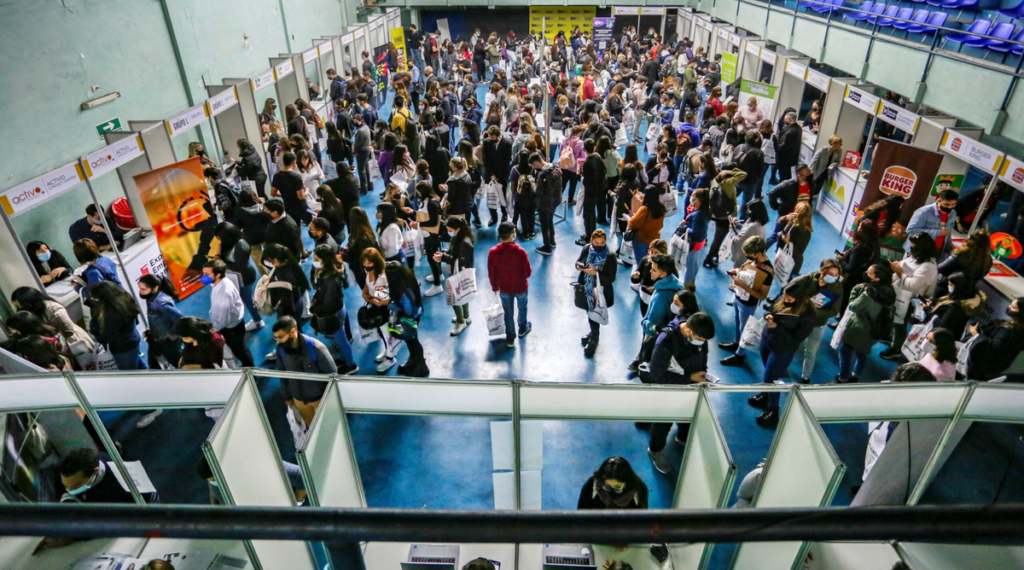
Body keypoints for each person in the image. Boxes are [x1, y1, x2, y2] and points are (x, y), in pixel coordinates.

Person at [644, 312, 715, 473]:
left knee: (689, 416)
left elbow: (703, 355)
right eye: (701, 340)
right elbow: (657, 374)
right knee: (663, 422)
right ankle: (655, 451)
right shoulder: (666, 342)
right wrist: (690, 377)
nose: (702, 343)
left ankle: (682, 438)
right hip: (669, 389)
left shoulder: (699, 335)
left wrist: (703, 374)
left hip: (692, 387)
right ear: (689, 331)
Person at [749, 281, 817, 427]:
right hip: (767, 340)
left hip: (783, 350)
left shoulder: (808, 315)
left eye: (789, 298)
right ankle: (766, 395)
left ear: (800, 298)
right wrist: (768, 315)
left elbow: (795, 339)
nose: (785, 300)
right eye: (784, 296)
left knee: (771, 378)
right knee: (767, 371)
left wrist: (776, 327)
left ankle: (773, 410)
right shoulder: (784, 297)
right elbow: (771, 308)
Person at [273, 316, 337, 446]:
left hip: (320, 399)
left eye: (280, 337)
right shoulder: (281, 350)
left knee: (329, 426)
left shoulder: (316, 348)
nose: (278, 341)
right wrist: (287, 396)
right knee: (311, 427)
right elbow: (283, 374)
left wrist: (329, 399)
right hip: (299, 400)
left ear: (292, 331)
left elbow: (332, 374)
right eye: (276, 338)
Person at [880, 233, 939, 360]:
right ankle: (890, 338)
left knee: (899, 323)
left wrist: (900, 272)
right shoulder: (914, 257)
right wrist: (896, 267)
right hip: (897, 293)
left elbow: (912, 285)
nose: (911, 249)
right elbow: (904, 265)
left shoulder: (928, 266)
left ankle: (896, 348)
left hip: (908, 299)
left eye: (913, 247)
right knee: (892, 319)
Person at [836, 262, 897, 383]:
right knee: (862, 353)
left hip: (859, 329)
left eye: (869, 273)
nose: (866, 274)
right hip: (875, 330)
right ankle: (855, 375)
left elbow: (853, 307)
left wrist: (855, 290)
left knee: (845, 351)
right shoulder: (889, 293)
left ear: (876, 278)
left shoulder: (868, 294)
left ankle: (842, 378)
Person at [720, 236, 774, 366]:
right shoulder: (753, 260)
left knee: (745, 329)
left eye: (749, 254)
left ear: (758, 253)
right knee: (737, 323)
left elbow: (762, 296)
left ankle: (740, 355)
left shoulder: (767, 272)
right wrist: (737, 271)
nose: (746, 256)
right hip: (738, 296)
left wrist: (743, 285)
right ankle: (736, 343)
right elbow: (748, 272)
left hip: (748, 303)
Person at [789, 259, 843, 384]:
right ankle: (783, 365)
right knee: (791, 343)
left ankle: (805, 377)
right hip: (800, 321)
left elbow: (834, 310)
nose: (834, 277)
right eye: (831, 274)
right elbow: (791, 287)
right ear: (822, 272)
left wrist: (813, 313)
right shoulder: (810, 278)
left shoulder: (837, 288)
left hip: (817, 324)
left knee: (811, 352)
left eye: (836, 275)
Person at [631, 254, 685, 371]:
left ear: (663, 274)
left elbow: (652, 325)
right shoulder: (677, 284)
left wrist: (644, 324)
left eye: (654, 269)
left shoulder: (660, 296)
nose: (650, 271)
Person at [310, 244, 358, 375]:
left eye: (316, 258)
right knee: (340, 339)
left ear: (325, 260)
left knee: (341, 341)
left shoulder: (330, 279)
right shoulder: (331, 271)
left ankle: (351, 365)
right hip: (338, 309)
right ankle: (345, 360)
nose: (313, 261)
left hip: (333, 312)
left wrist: (314, 308)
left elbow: (328, 302)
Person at [11, 286, 95, 355]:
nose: (19, 309)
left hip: (70, 341)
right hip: (54, 343)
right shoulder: (31, 311)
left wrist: (47, 333)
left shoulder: (53, 308)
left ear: (29, 302)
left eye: (20, 306)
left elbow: (68, 330)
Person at [202, 260, 255, 368]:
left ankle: (251, 372)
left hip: (231, 328)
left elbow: (224, 319)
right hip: (229, 325)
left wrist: (214, 329)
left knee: (240, 351)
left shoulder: (225, 293)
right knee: (240, 348)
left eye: (207, 274)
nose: (204, 277)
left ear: (218, 274)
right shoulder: (217, 283)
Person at [488, 222, 532, 348]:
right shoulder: (520, 252)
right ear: (512, 234)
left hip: (504, 288)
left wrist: (494, 287)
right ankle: (522, 328)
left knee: (508, 312)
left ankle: (510, 337)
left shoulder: (493, 252)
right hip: (520, 287)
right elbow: (527, 272)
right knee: (522, 307)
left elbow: (492, 272)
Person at [380, 263, 429, 377]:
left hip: (410, 318)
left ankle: (421, 366)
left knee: (413, 342)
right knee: (411, 341)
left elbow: (407, 311)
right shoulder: (406, 280)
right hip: (413, 316)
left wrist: (388, 304)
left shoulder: (406, 292)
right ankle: (413, 361)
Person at [214, 222, 263, 331]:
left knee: (247, 299)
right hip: (232, 275)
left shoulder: (241, 245)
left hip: (244, 277)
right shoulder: (226, 243)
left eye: (220, 237)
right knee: (243, 298)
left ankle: (258, 321)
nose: (219, 240)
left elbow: (240, 266)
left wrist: (221, 261)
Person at [576, 229, 618, 358]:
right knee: (589, 311)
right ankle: (593, 333)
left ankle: (594, 338)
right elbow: (579, 261)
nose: (599, 245)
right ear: (591, 241)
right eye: (596, 243)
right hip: (587, 287)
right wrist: (579, 266)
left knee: (595, 313)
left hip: (600, 290)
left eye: (602, 243)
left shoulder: (610, 256)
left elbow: (611, 278)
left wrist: (596, 274)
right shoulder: (587, 248)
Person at [87, 281, 145, 371]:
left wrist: (94, 322)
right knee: (138, 364)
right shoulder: (124, 300)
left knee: (129, 373)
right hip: (132, 339)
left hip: (123, 349)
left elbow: (104, 338)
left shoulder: (112, 315)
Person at [964, 297, 1024, 380]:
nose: (1009, 307)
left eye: (1013, 307)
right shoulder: (1017, 328)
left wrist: (975, 334)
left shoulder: (1009, 331)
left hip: (982, 369)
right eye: (1011, 304)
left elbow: (991, 350)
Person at [435, 217, 476, 335]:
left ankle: (460, 321)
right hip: (461, 273)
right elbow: (453, 251)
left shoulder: (464, 243)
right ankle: (466, 316)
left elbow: (459, 260)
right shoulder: (459, 238)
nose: (449, 232)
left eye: (450, 229)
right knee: (464, 294)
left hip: (459, 273)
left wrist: (443, 258)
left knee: (455, 297)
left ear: (457, 229)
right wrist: (444, 254)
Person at [136, 275, 183, 370]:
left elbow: (180, 320)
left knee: (179, 364)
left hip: (168, 343)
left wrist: (171, 336)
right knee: (154, 363)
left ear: (155, 288)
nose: (140, 292)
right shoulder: (152, 297)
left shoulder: (161, 304)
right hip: (157, 338)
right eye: (140, 288)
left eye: (143, 289)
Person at [923, 272, 987, 339]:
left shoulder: (955, 309)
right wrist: (934, 302)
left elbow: (940, 327)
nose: (949, 286)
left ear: (958, 288)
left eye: (951, 285)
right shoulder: (962, 299)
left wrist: (928, 310)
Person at [58, 448, 134, 504]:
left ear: (95, 471)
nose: (70, 490)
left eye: (76, 486)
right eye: (66, 486)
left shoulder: (118, 487)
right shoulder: (67, 472)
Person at [765, 164, 812, 250]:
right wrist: (776, 207)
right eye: (808, 172)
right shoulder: (788, 184)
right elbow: (772, 193)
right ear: (799, 175)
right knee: (776, 236)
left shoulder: (811, 184)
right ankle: (760, 251)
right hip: (787, 216)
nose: (811, 174)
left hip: (801, 218)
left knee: (792, 239)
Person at [935, 229, 992, 297]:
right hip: (966, 293)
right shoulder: (988, 260)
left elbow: (939, 268)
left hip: (946, 288)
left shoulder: (960, 254)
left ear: (970, 241)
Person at [577, 456, 648, 509]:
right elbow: (581, 517)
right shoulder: (591, 486)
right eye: (607, 486)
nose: (612, 492)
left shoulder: (638, 491)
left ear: (627, 483)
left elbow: (641, 522)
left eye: (617, 487)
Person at [905, 189, 958, 255]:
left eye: (953, 204)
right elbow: (910, 230)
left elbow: (947, 234)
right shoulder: (924, 212)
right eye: (946, 204)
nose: (949, 207)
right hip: (918, 250)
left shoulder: (952, 214)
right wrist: (937, 232)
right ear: (939, 200)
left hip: (937, 250)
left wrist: (951, 250)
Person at [678, 188, 711, 288]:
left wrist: (684, 226)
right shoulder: (704, 211)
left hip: (693, 242)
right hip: (700, 242)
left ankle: (686, 285)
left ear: (697, 200)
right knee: (694, 262)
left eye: (693, 196)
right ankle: (692, 281)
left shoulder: (697, 215)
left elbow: (694, 232)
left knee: (689, 265)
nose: (691, 198)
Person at [532, 153, 564, 255]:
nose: (533, 168)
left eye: (533, 165)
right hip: (555, 200)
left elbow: (538, 192)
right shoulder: (556, 167)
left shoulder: (543, 175)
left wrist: (533, 185)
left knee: (544, 225)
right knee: (550, 221)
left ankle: (547, 247)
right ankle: (552, 241)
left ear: (536, 163)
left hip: (544, 203)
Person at [627, 185, 667, 264]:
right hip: (654, 239)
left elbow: (632, 224)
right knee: (651, 263)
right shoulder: (662, 208)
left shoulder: (645, 209)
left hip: (641, 239)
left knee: (642, 264)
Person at [729, 199, 769, 269]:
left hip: (746, 258)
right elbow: (746, 229)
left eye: (749, 210)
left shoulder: (753, 227)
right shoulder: (760, 221)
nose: (748, 211)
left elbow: (738, 241)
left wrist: (731, 229)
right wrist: (738, 224)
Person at [777, 201, 814, 278]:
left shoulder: (804, 231)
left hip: (792, 262)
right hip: (784, 256)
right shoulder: (792, 221)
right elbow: (780, 222)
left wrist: (788, 242)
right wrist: (786, 217)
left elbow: (799, 250)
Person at [775, 111, 802, 181]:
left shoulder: (790, 132)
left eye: (786, 119)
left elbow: (784, 146)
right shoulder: (798, 128)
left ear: (791, 120)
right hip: (791, 157)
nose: (785, 121)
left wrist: (776, 147)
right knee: (787, 174)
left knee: (783, 175)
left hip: (785, 157)